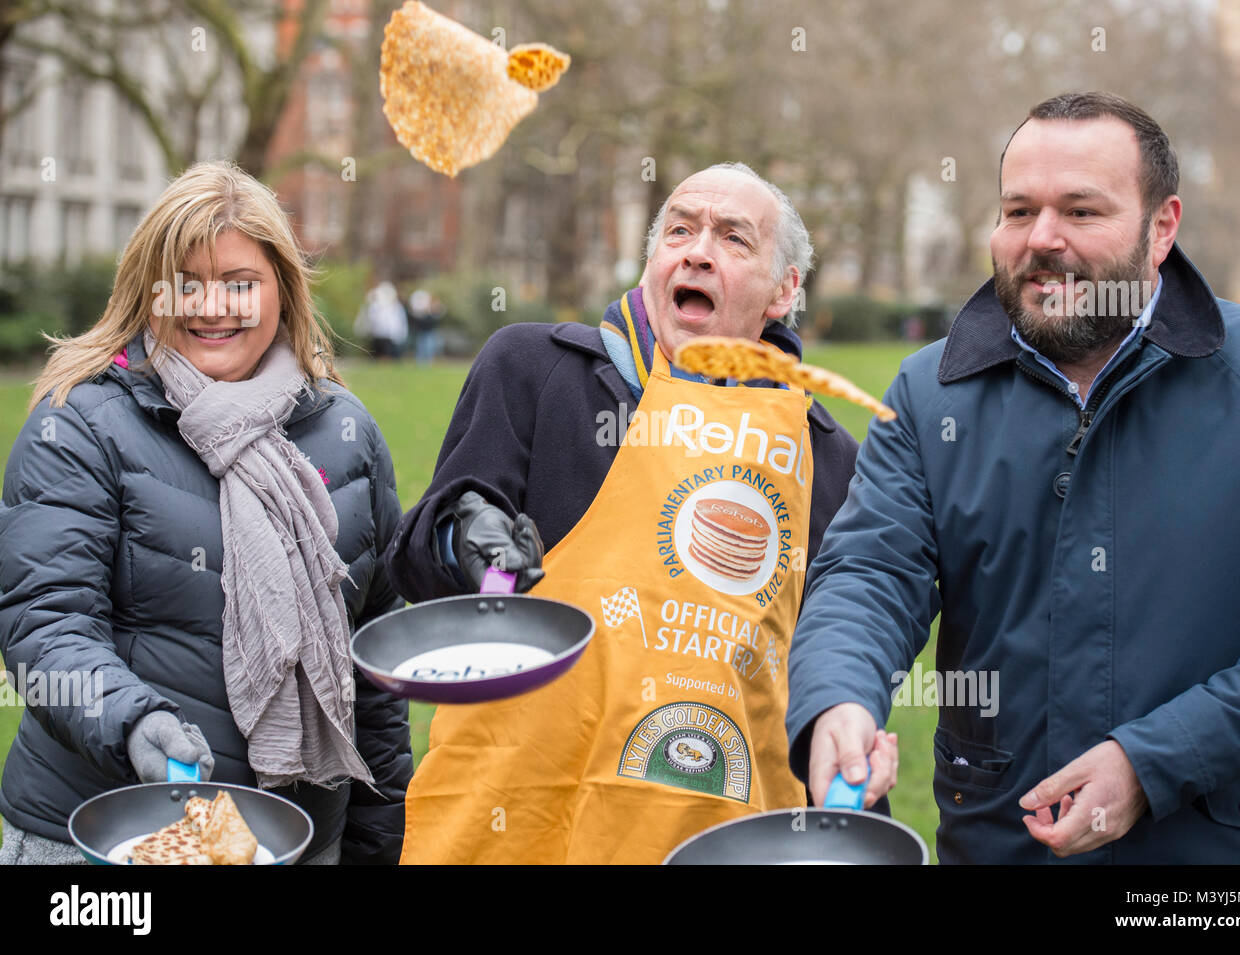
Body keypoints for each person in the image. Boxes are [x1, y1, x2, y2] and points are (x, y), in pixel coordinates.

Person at [786, 91, 1240, 864]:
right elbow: (868, 572)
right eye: (1019, 211)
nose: (1043, 238)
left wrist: (1151, 762)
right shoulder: (930, 394)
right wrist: (837, 699)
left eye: (1081, 212)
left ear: (1163, 227)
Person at [385, 162, 895, 864]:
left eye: (733, 239)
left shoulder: (828, 458)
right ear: (654, 261)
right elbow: (417, 565)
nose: (696, 249)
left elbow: (830, 661)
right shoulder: (535, 369)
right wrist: (462, 534)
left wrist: (855, 781)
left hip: (715, 833)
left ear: (785, 290)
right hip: (512, 817)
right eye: (679, 230)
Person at [0, 161, 412, 864]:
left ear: (280, 289)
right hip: (109, 835)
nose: (212, 306)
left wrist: (379, 838)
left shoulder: (347, 431)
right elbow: (45, 619)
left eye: (239, 284)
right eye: (186, 283)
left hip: (300, 838)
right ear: (148, 291)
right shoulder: (81, 423)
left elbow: (374, 663)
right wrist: (134, 721)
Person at [355, 281, 408, 360]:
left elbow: (399, 322)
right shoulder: (375, 306)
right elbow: (372, 319)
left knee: (389, 354)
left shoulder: (396, 306)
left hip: (390, 335)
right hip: (379, 334)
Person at [407, 289, 445, 365]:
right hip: (422, 331)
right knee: (421, 347)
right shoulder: (421, 311)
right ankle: (420, 362)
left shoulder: (432, 310)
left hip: (430, 331)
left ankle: (428, 361)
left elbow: (439, 314)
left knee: (429, 347)